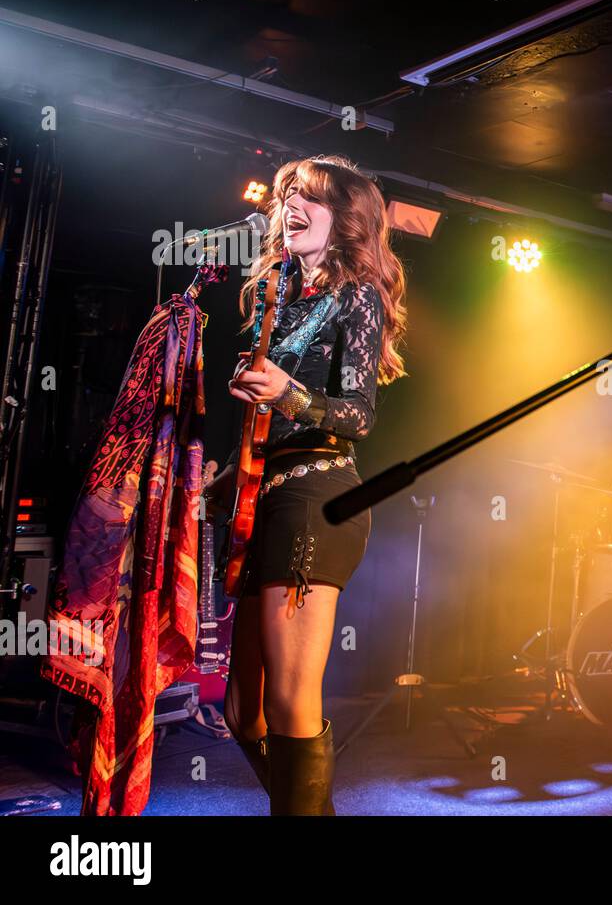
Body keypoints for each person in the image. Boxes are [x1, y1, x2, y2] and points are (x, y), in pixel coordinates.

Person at [204, 155, 407, 814]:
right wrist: (225, 477)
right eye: (287, 194)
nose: (290, 203)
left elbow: (358, 415)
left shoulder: (359, 295)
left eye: (310, 197)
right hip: (265, 496)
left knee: (291, 704)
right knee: (243, 711)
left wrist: (289, 392)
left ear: (345, 219)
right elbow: (269, 433)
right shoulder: (279, 297)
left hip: (317, 497)